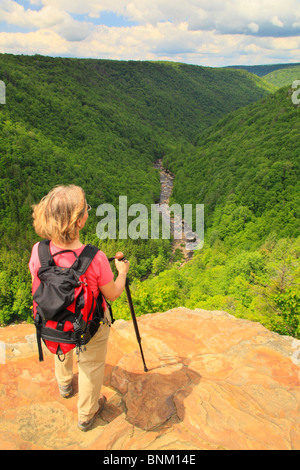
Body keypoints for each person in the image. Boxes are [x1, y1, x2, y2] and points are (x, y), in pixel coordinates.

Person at [28, 184, 130, 431]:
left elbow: (38, 284)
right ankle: (86, 414)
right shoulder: (94, 257)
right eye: (86, 208)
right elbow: (113, 294)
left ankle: (64, 384)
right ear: (80, 222)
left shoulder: (39, 251)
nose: (87, 211)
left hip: (52, 320)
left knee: (61, 337)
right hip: (88, 324)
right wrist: (122, 272)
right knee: (91, 364)